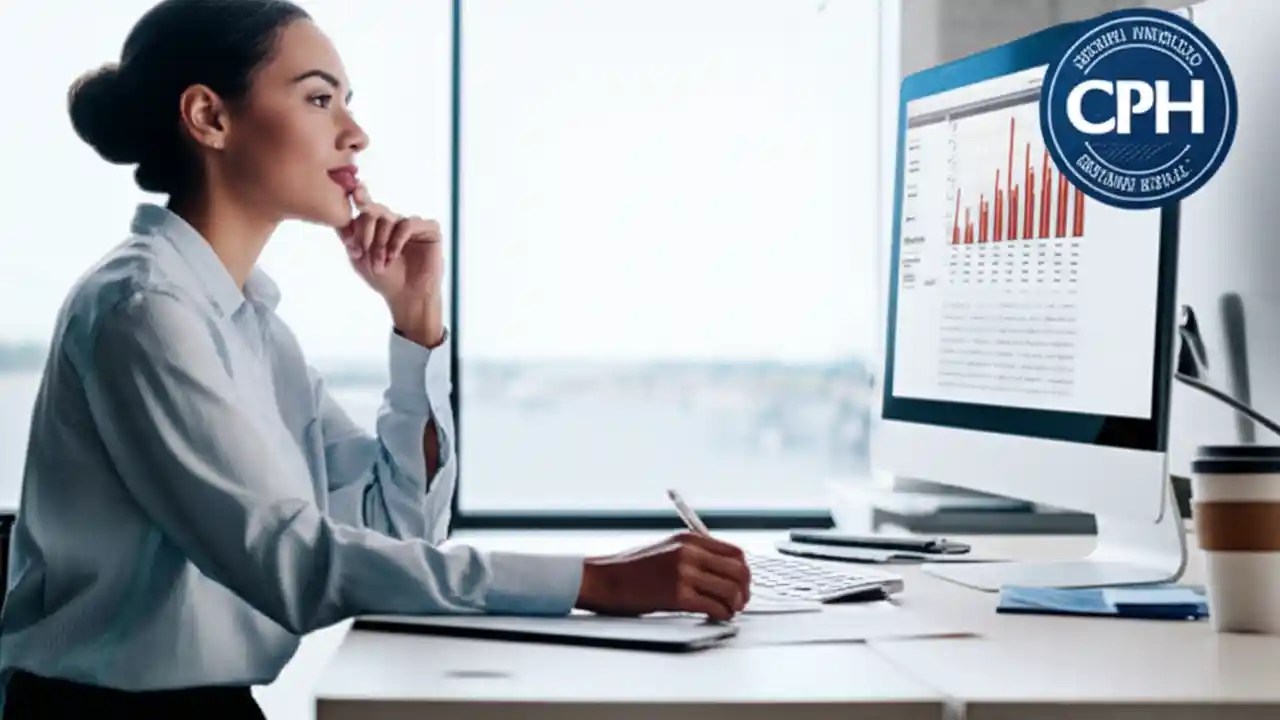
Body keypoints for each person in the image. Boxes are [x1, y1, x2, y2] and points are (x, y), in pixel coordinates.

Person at [0, 1, 752, 716]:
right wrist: (593, 582)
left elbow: (397, 530)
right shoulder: (145, 312)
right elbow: (292, 565)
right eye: (320, 99)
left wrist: (415, 323)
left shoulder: (247, 323)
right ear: (210, 117)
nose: (355, 134)